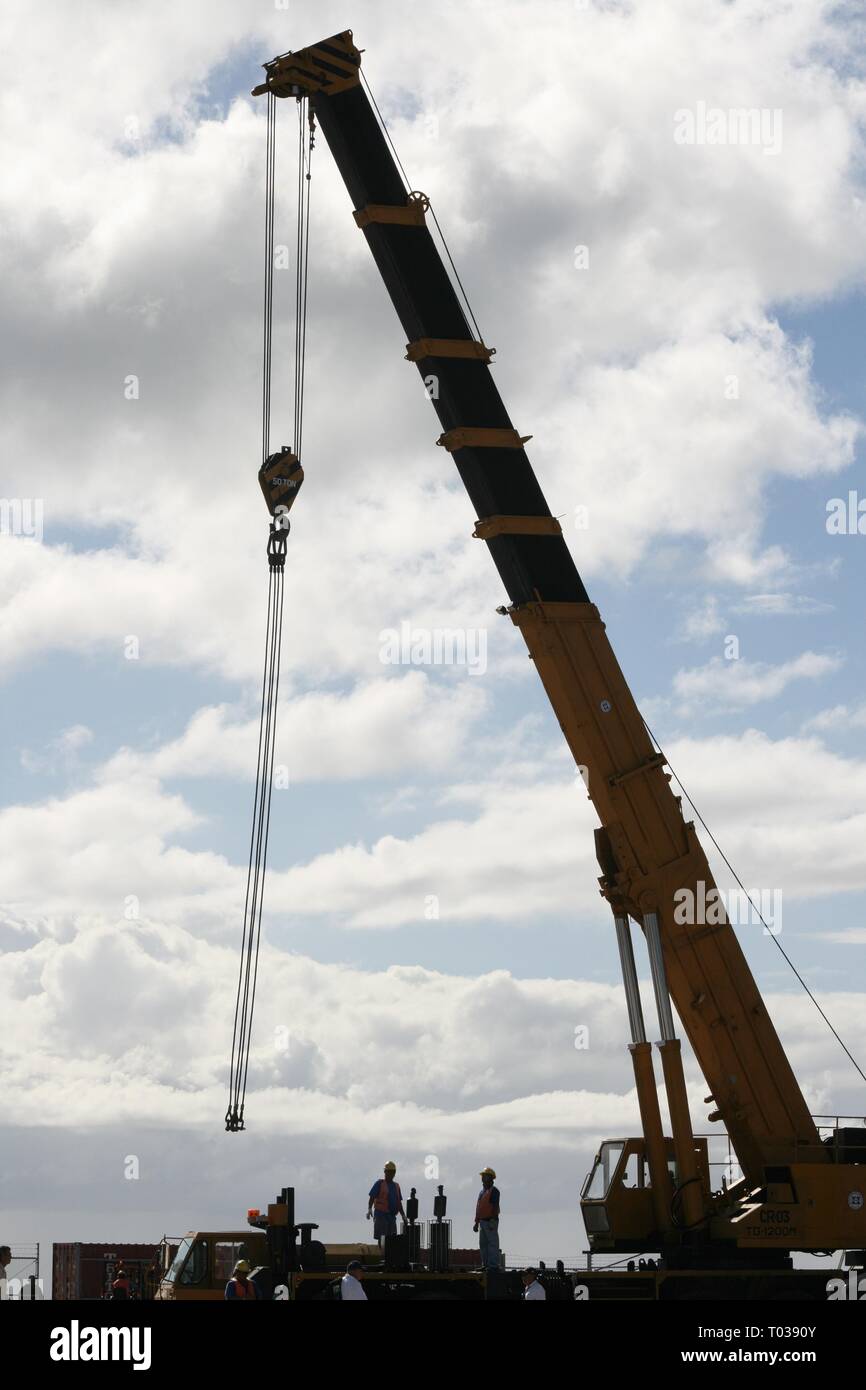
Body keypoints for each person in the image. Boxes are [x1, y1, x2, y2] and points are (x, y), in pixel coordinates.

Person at [367, 1161, 405, 1248]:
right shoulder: (379, 1184)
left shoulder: (396, 1186)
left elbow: (399, 1202)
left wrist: (403, 1215)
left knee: (392, 1236)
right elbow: (372, 1197)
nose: (390, 1174)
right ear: (385, 1172)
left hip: (391, 1216)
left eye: (392, 1172)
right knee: (382, 1236)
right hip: (381, 1214)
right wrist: (369, 1209)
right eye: (389, 1172)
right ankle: (382, 1254)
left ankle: (390, 1255)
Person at [473, 1166, 501, 1272]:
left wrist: (493, 1220)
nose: (483, 1178)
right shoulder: (482, 1192)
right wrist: (476, 1223)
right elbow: (478, 1208)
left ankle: (493, 1265)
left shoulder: (494, 1191)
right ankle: (486, 1265)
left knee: (492, 1244)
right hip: (482, 1221)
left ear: (491, 1178)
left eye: (485, 1176)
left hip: (490, 1220)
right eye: (483, 1176)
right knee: (483, 1244)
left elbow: (494, 1206)